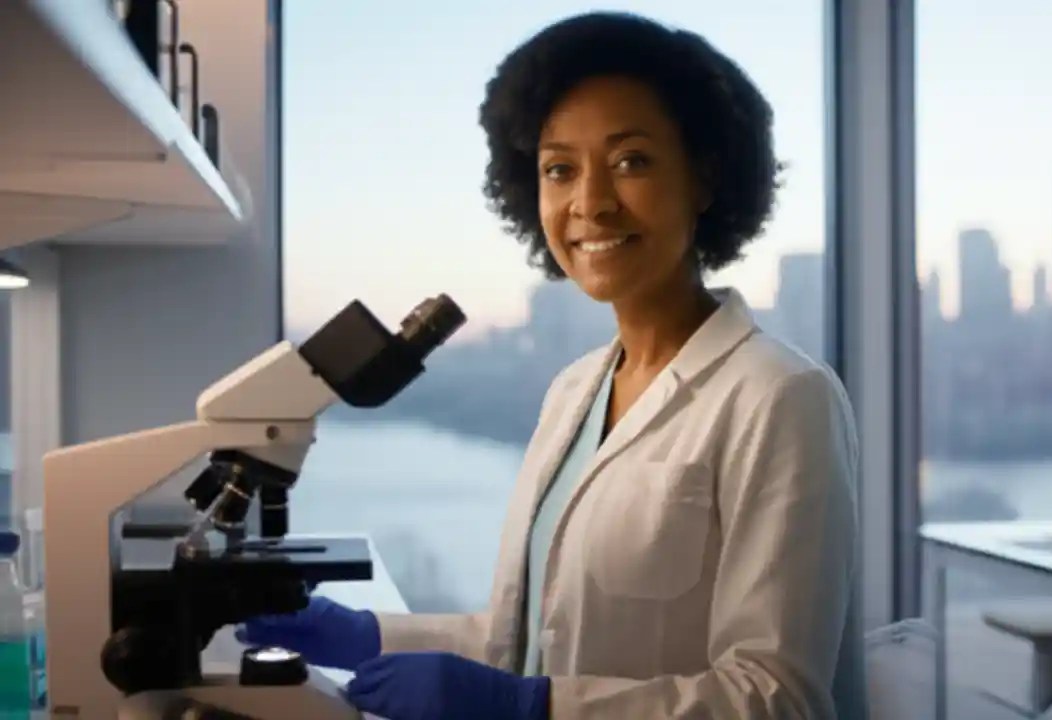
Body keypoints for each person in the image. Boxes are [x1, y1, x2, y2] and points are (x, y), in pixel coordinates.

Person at [240, 10, 864, 719]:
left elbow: (777, 697)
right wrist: (365, 635)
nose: (590, 203)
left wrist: (532, 708)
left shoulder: (781, 397)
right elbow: (524, 640)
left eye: (631, 161)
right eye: (560, 170)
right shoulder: (574, 392)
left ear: (706, 176)